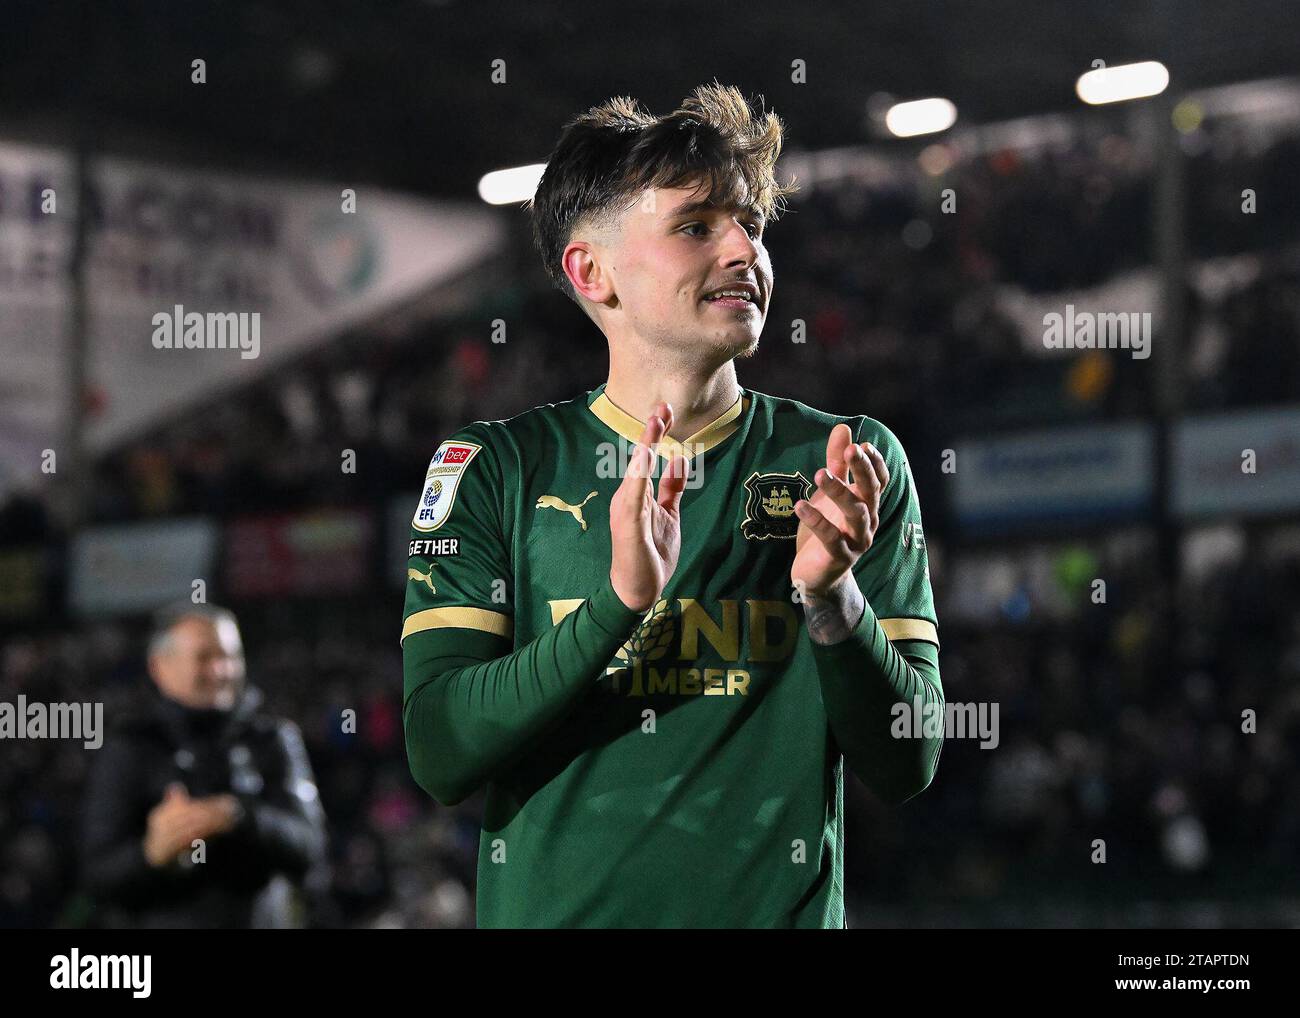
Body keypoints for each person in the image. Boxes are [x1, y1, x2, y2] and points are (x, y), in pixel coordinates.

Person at [402, 83, 943, 928]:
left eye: (752, 225)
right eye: (696, 226)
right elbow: (439, 753)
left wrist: (835, 603)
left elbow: (909, 764)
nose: (744, 250)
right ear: (592, 271)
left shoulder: (845, 464)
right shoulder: (495, 470)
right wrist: (617, 605)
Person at [81, 604, 327, 928]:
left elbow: (310, 846)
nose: (220, 670)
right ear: (160, 667)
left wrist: (238, 816)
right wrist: (151, 853)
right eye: (204, 657)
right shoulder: (131, 747)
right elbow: (97, 875)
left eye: (229, 656)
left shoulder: (272, 739)